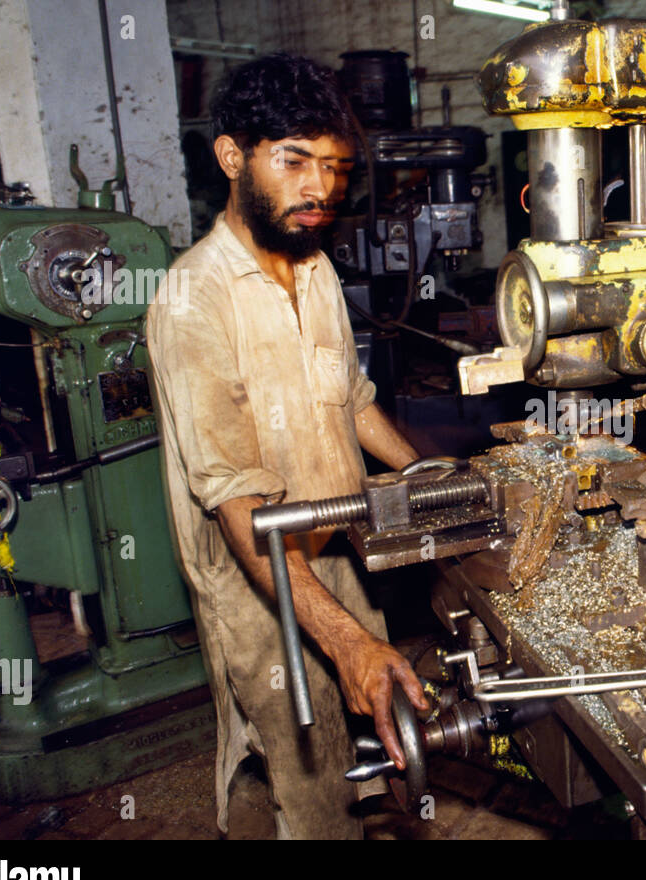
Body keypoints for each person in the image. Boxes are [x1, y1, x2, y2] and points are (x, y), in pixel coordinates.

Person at [146, 53, 429, 839]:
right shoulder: (190, 303)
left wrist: (435, 478)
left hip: (334, 538)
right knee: (309, 775)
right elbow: (238, 502)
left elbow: (355, 404)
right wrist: (347, 642)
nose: (320, 189)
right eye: (295, 161)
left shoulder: (315, 266)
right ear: (233, 157)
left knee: (365, 725)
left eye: (334, 167)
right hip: (254, 573)